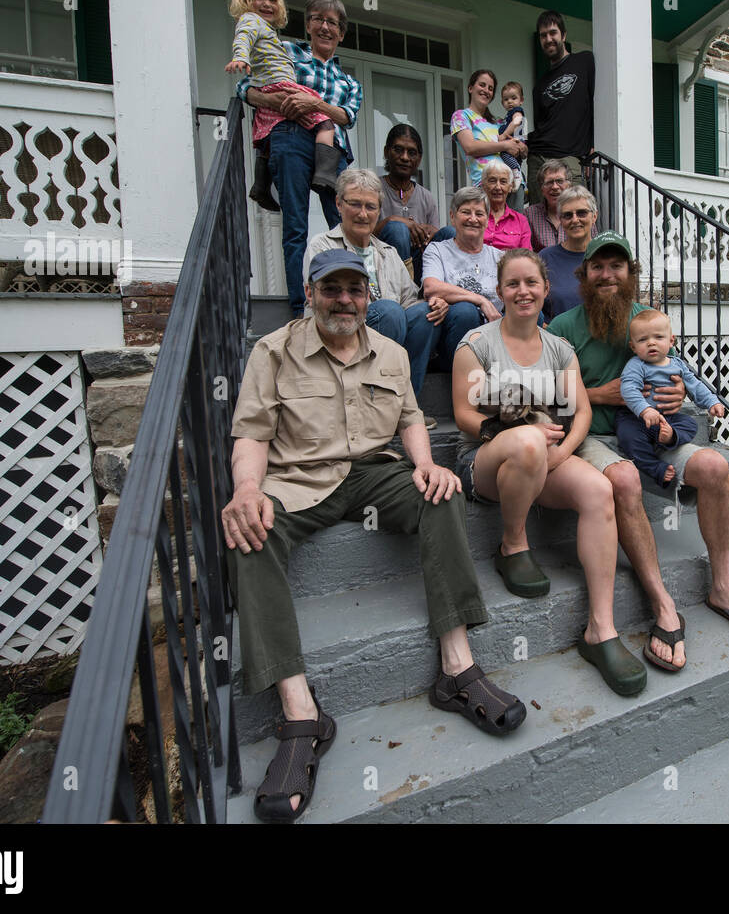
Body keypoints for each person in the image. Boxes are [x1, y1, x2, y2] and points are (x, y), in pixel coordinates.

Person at [222, 248, 527, 824]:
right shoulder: (273, 351)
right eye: (331, 289)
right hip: (296, 477)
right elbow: (253, 433)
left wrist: (424, 465)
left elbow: (413, 419)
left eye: (354, 290)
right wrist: (246, 489)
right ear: (310, 294)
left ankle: (457, 669)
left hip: (371, 471)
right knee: (249, 532)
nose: (344, 300)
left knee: (444, 495)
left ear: (368, 296)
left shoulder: (389, 351)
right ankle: (300, 713)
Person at [546, 231, 729, 672]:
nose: (607, 275)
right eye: (597, 267)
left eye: (616, 266)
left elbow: (677, 375)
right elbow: (553, 398)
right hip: (594, 436)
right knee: (623, 478)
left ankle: (724, 588)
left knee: (713, 465)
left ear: (631, 273)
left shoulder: (649, 320)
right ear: (584, 275)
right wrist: (602, 395)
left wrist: (676, 397)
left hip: (651, 432)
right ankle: (663, 604)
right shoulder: (562, 328)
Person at [451, 249, 644, 696]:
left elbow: (579, 413)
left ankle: (601, 629)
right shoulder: (477, 344)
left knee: (598, 489)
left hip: (545, 457)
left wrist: (562, 454)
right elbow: (463, 413)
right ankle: (512, 544)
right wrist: (517, 432)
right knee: (528, 441)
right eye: (513, 284)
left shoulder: (559, 349)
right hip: (486, 460)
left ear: (544, 289)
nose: (523, 291)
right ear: (499, 291)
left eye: (531, 283)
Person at [237, 0, 362, 320]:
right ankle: (300, 308)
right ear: (307, 24)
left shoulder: (349, 81)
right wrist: (280, 103)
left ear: (341, 33)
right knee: (296, 226)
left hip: (332, 148)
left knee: (344, 225)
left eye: (332, 23)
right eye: (318, 19)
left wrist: (316, 105)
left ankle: (349, 302)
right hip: (290, 137)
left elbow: (348, 116)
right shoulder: (288, 53)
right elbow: (246, 88)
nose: (324, 27)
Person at [304, 168, 441, 421]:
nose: (363, 213)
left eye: (371, 206)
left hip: (388, 328)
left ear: (379, 210)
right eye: (355, 204)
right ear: (338, 204)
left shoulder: (388, 252)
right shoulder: (323, 245)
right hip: (341, 329)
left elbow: (409, 299)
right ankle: (369, 405)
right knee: (390, 312)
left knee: (425, 314)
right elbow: (322, 304)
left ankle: (404, 406)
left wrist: (435, 303)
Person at [225, 0, 338, 209]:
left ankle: (260, 186)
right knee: (325, 123)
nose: (267, 4)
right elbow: (242, 37)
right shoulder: (251, 21)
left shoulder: (268, 31)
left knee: (268, 136)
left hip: (269, 87)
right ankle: (325, 175)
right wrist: (240, 57)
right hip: (281, 87)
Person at [617, 309, 725, 487]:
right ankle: (655, 467)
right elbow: (628, 389)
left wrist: (712, 401)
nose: (651, 343)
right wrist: (645, 409)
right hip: (636, 419)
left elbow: (695, 385)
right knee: (628, 436)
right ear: (633, 346)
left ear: (671, 341)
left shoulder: (678, 364)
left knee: (690, 424)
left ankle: (670, 437)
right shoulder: (636, 365)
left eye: (658, 337)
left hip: (667, 419)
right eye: (643, 340)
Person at [421, 187, 504, 371]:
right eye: (465, 212)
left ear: (487, 219)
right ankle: (463, 384)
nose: (473, 219)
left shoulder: (500, 258)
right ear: (453, 216)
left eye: (479, 213)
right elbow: (431, 287)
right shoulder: (438, 250)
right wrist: (480, 300)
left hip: (494, 335)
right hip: (455, 337)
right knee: (466, 311)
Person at [526, 11, 595, 203]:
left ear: (563, 35)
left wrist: (594, 145)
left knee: (577, 215)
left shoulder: (585, 62)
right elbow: (541, 124)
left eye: (553, 33)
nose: (548, 39)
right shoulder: (539, 86)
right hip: (538, 157)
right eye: (543, 35)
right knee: (539, 220)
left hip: (570, 156)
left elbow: (597, 102)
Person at [374, 124, 454, 283]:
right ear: (386, 152)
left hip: (420, 266)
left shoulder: (426, 196)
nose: (404, 157)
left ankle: (443, 290)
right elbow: (363, 237)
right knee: (397, 229)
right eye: (398, 150)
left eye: (411, 153)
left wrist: (431, 232)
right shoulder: (374, 189)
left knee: (450, 233)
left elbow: (436, 241)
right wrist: (393, 220)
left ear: (419, 159)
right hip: (384, 267)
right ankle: (404, 293)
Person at [450, 69, 527, 188]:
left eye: (490, 88)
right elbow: (470, 147)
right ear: (470, 88)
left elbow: (520, 144)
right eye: (482, 85)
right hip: (486, 184)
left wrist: (522, 147)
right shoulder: (461, 116)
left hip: (512, 183)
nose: (486, 90)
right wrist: (506, 145)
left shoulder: (500, 122)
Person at [539, 185, 597, 321]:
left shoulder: (605, 256)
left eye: (582, 213)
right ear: (560, 220)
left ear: (594, 216)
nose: (575, 219)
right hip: (555, 338)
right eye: (567, 215)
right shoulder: (545, 258)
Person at [481, 159, 533, 252]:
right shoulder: (474, 216)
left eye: (503, 182)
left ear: (510, 187)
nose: (498, 187)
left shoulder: (521, 221)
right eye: (492, 181)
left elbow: (526, 256)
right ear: (484, 185)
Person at [524, 160, 570, 252]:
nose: (555, 187)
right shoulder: (529, 214)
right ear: (541, 189)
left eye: (559, 181)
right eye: (549, 182)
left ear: (569, 185)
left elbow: (591, 251)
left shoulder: (582, 213)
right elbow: (527, 253)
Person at [495, 81, 528, 193]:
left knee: (504, 154)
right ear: (502, 102)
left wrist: (504, 135)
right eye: (506, 99)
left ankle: (517, 173)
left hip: (515, 140)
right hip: (515, 139)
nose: (510, 102)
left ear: (521, 100)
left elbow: (517, 121)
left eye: (514, 98)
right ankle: (515, 178)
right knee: (512, 159)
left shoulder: (516, 111)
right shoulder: (508, 115)